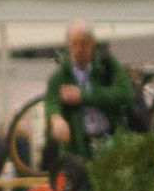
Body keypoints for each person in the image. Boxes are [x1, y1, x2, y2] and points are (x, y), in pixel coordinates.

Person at [45, 19, 134, 161]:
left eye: (83, 43)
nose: (79, 49)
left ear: (92, 42)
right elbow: (52, 103)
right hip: (79, 148)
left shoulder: (108, 65)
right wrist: (56, 119)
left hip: (111, 139)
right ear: (68, 44)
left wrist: (84, 96)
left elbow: (125, 93)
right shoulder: (60, 76)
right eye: (74, 44)